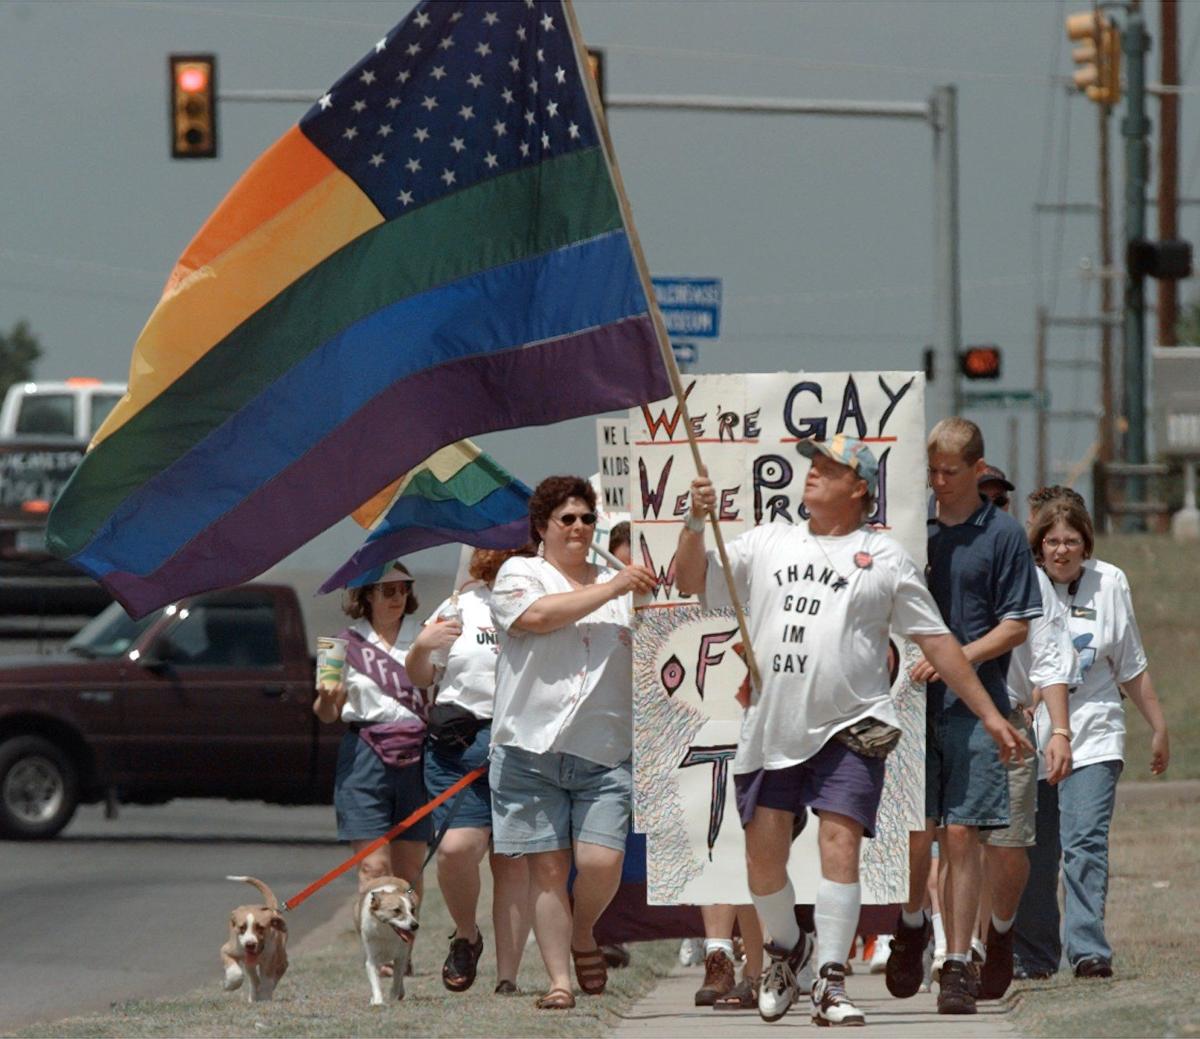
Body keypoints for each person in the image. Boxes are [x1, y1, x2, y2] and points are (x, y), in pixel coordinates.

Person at [675, 434, 1029, 1027]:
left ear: (859, 485)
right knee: (762, 859)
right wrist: (692, 522)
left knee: (838, 844)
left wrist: (991, 715)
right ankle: (789, 949)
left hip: (852, 725)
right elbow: (691, 580)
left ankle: (831, 982)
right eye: (811, 465)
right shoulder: (768, 541)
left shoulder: (884, 557)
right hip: (772, 728)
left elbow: (937, 642)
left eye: (828, 467)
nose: (811, 473)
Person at [887, 418, 1042, 1016]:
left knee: (963, 834)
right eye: (931, 471)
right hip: (907, 700)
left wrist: (956, 659)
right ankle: (910, 921)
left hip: (976, 706)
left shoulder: (1001, 534)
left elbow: (1018, 622)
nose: (939, 482)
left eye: (951, 471)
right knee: (913, 827)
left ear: (979, 470)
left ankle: (958, 961)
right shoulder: (911, 530)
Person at [488, 475, 657, 1010]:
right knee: (549, 871)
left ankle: (585, 931)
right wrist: (613, 587)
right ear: (542, 527)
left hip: (604, 750)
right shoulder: (521, 573)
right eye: (568, 519)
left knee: (602, 861)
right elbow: (535, 618)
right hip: (529, 750)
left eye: (587, 518)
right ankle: (559, 981)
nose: (581, 527)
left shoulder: (622, 583)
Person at [1013, 495, 1170, 980]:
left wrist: (1158, 726)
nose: (1062, 551)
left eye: (1072, 541)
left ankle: (1086, 949)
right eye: (1053, 541)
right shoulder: (1024, 582)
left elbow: (1130, 662)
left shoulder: (1110, 582)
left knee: (1085, 842)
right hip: (1034, 733)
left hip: (1096, 727)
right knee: (1036, 851)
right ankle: (1034, 955)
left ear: (1086, 545)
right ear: (1039, 546)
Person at [971, 466, 1077, 1000]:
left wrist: (1059, 729)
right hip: (950, 718)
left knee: (1014, 849)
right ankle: (956, 953)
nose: (990, 506)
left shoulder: (1031, 578)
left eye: (998, 499)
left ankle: (1002, 936)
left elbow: (1052, 658)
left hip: (1013, 724)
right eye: (980, 496)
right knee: (954, 844)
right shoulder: (937, 556)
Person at [406, 548, 532, 996]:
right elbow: (422, 676)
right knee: (458, 849)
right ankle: (466, 935)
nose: (507, 555)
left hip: (520, 745)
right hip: (457, 746)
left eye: (519, 548)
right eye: (497, 548)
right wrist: (422, 645)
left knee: (512, 862)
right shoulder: (461, 604)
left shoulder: (540, 599)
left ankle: (508, 978)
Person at [313, 559, 432, 913]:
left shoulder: (426, 635)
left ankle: (401, 953)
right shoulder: (336, 646)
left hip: (418, 756)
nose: (397, 597)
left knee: (409, 869)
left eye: (403, 588)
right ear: (366, 594)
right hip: (364, 755)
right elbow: (326, 714)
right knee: (373, 867)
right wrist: (327, 697)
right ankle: (377, 959)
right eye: (387, 590)